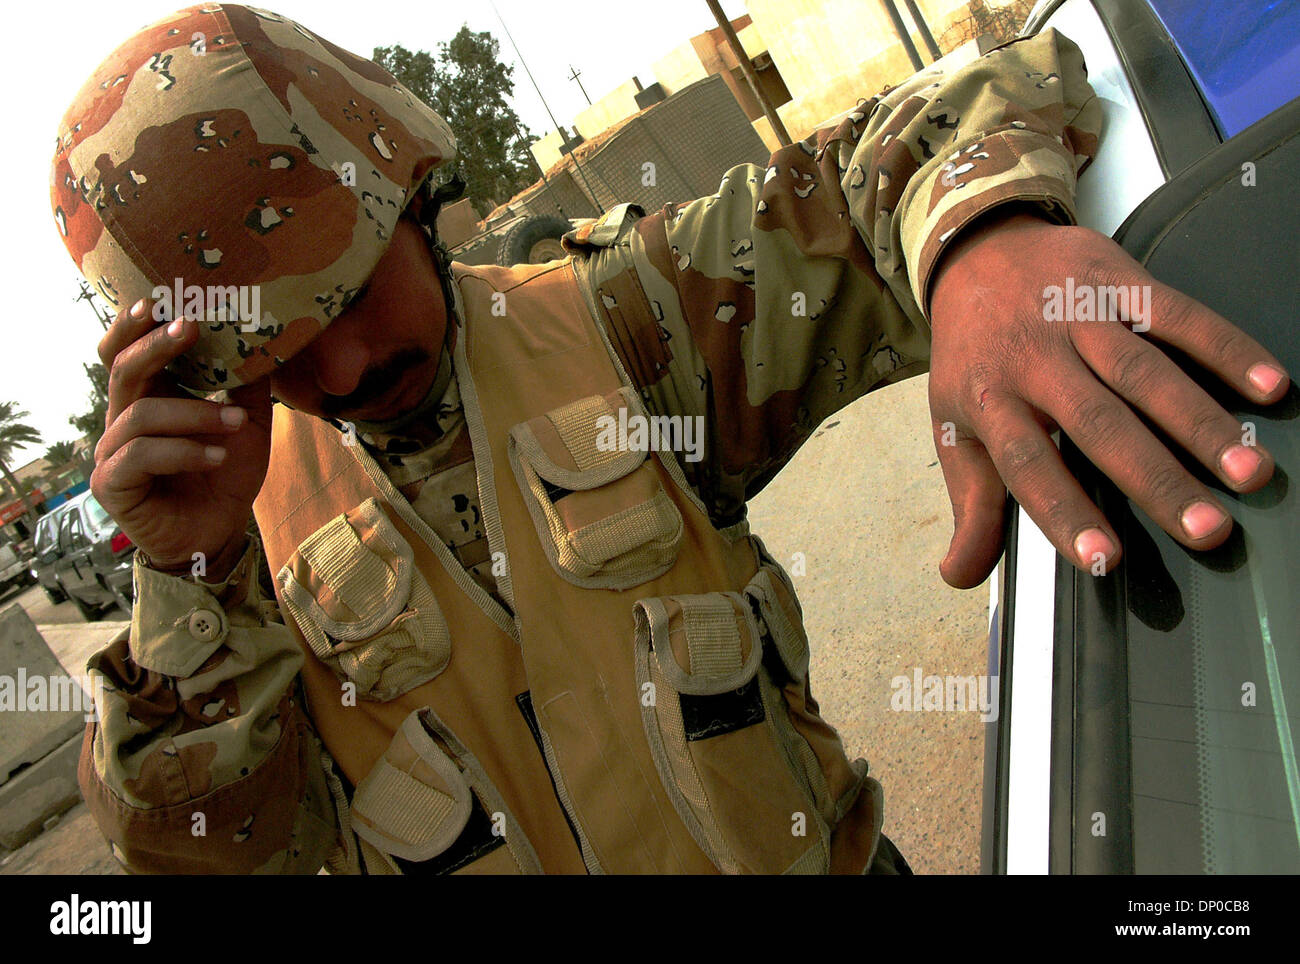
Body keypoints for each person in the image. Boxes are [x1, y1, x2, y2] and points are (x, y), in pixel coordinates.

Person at [51, 4, 1287, 874]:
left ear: (412, 188)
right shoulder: (223, 559)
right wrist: (192, 589)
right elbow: (210, 861)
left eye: (354, 288)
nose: (343, 365)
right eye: (276, 356)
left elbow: (990, 91)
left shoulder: (630, 321)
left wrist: (973, 245)